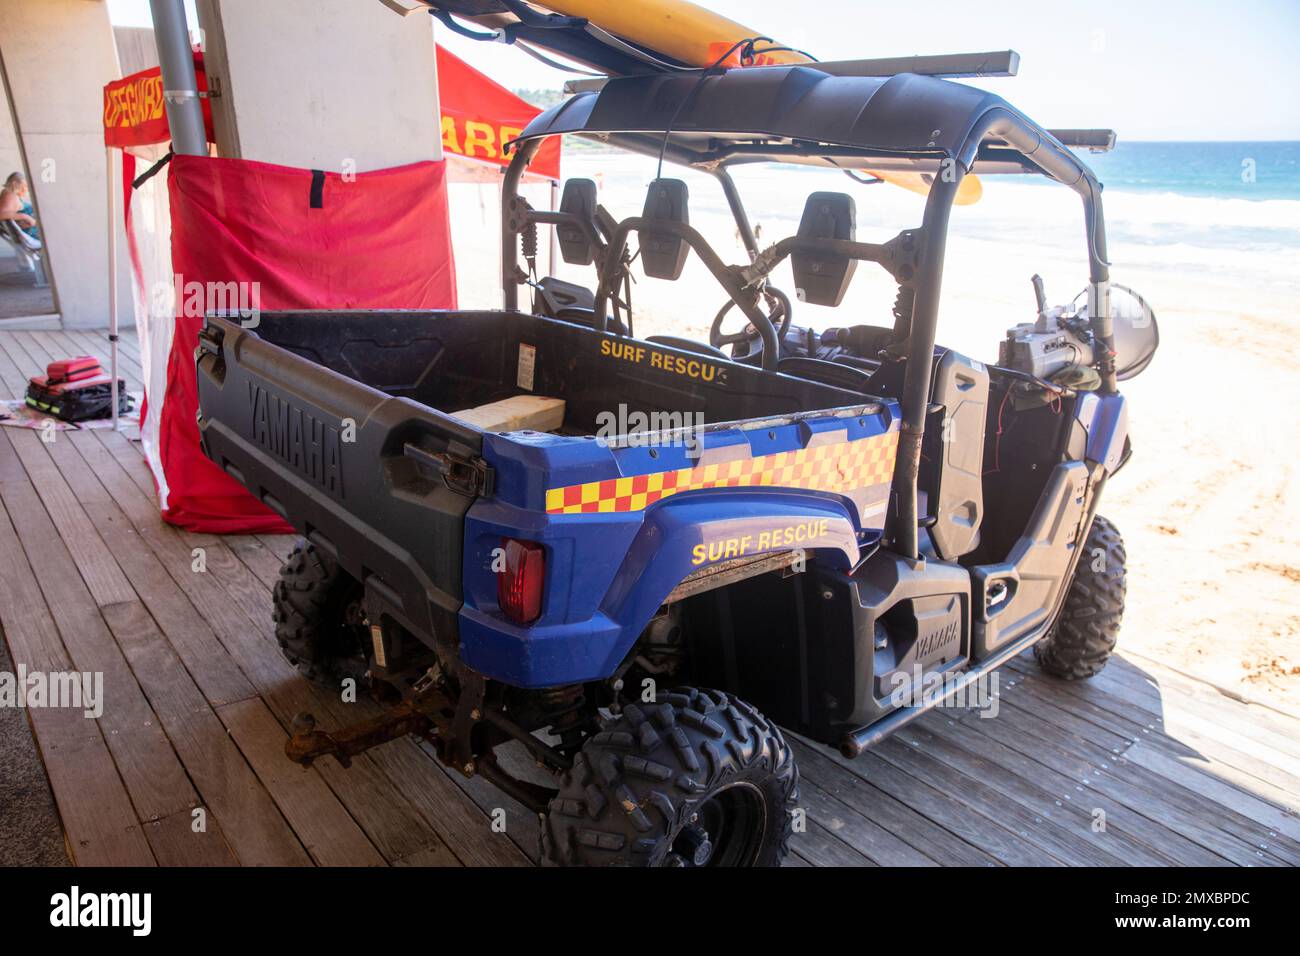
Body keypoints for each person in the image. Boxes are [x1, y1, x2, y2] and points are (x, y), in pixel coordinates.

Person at [0, 171, 39, 240]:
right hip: (35, 234)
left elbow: (12, 215)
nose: (26, 190)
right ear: (14, 184)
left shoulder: (10, 194)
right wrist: (26, 217)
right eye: (25, 186)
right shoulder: (10, 195)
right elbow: (2, 214)